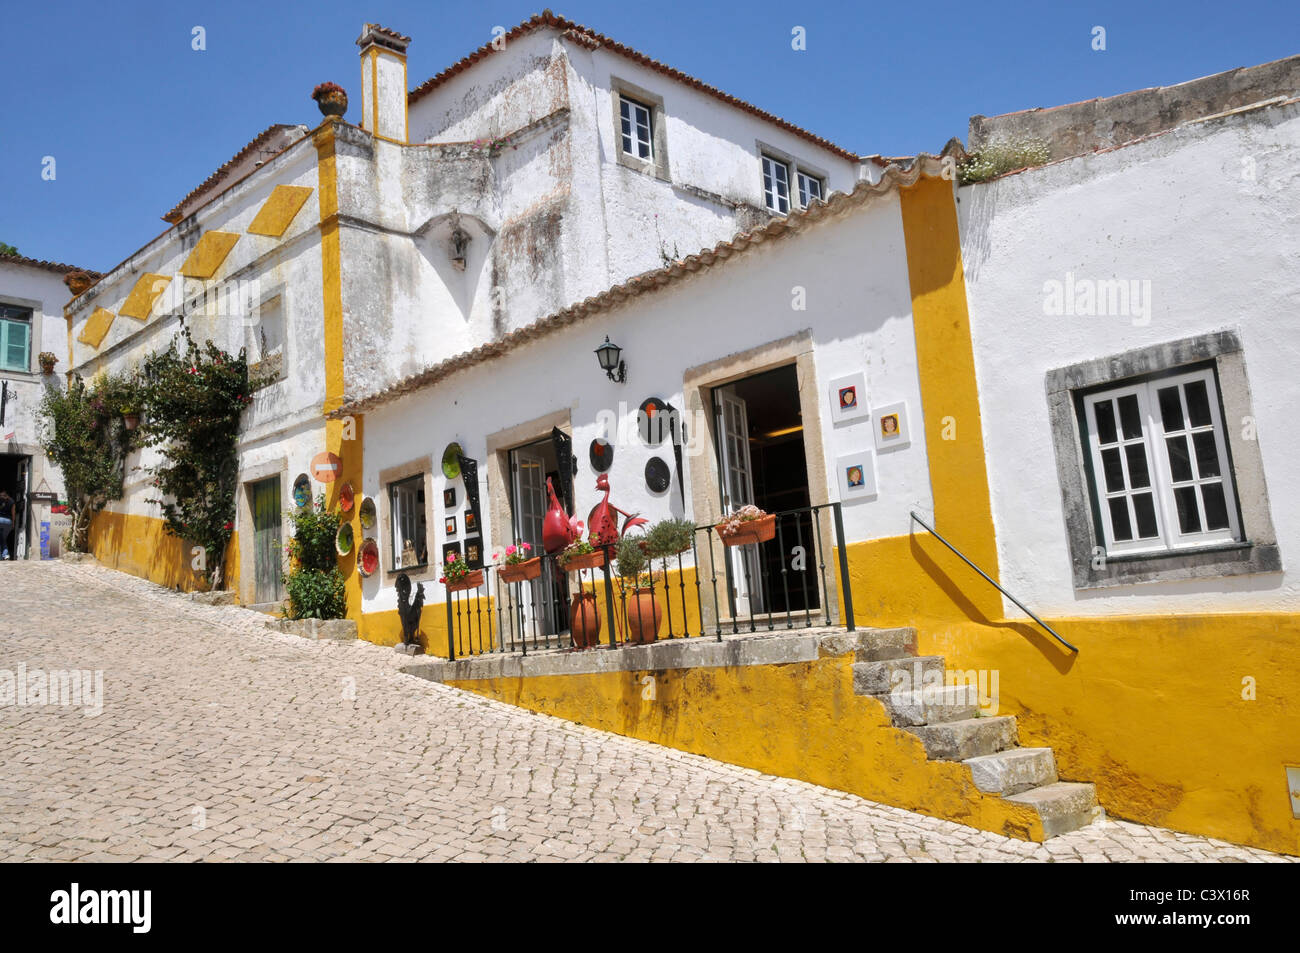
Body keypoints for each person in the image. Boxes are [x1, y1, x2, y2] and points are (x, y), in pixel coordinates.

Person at [0, 490, 13, 560]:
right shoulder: (11, 501)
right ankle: (6, 555)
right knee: (3, 539)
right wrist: (13, 523)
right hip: (8, 522)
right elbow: (13, 512)